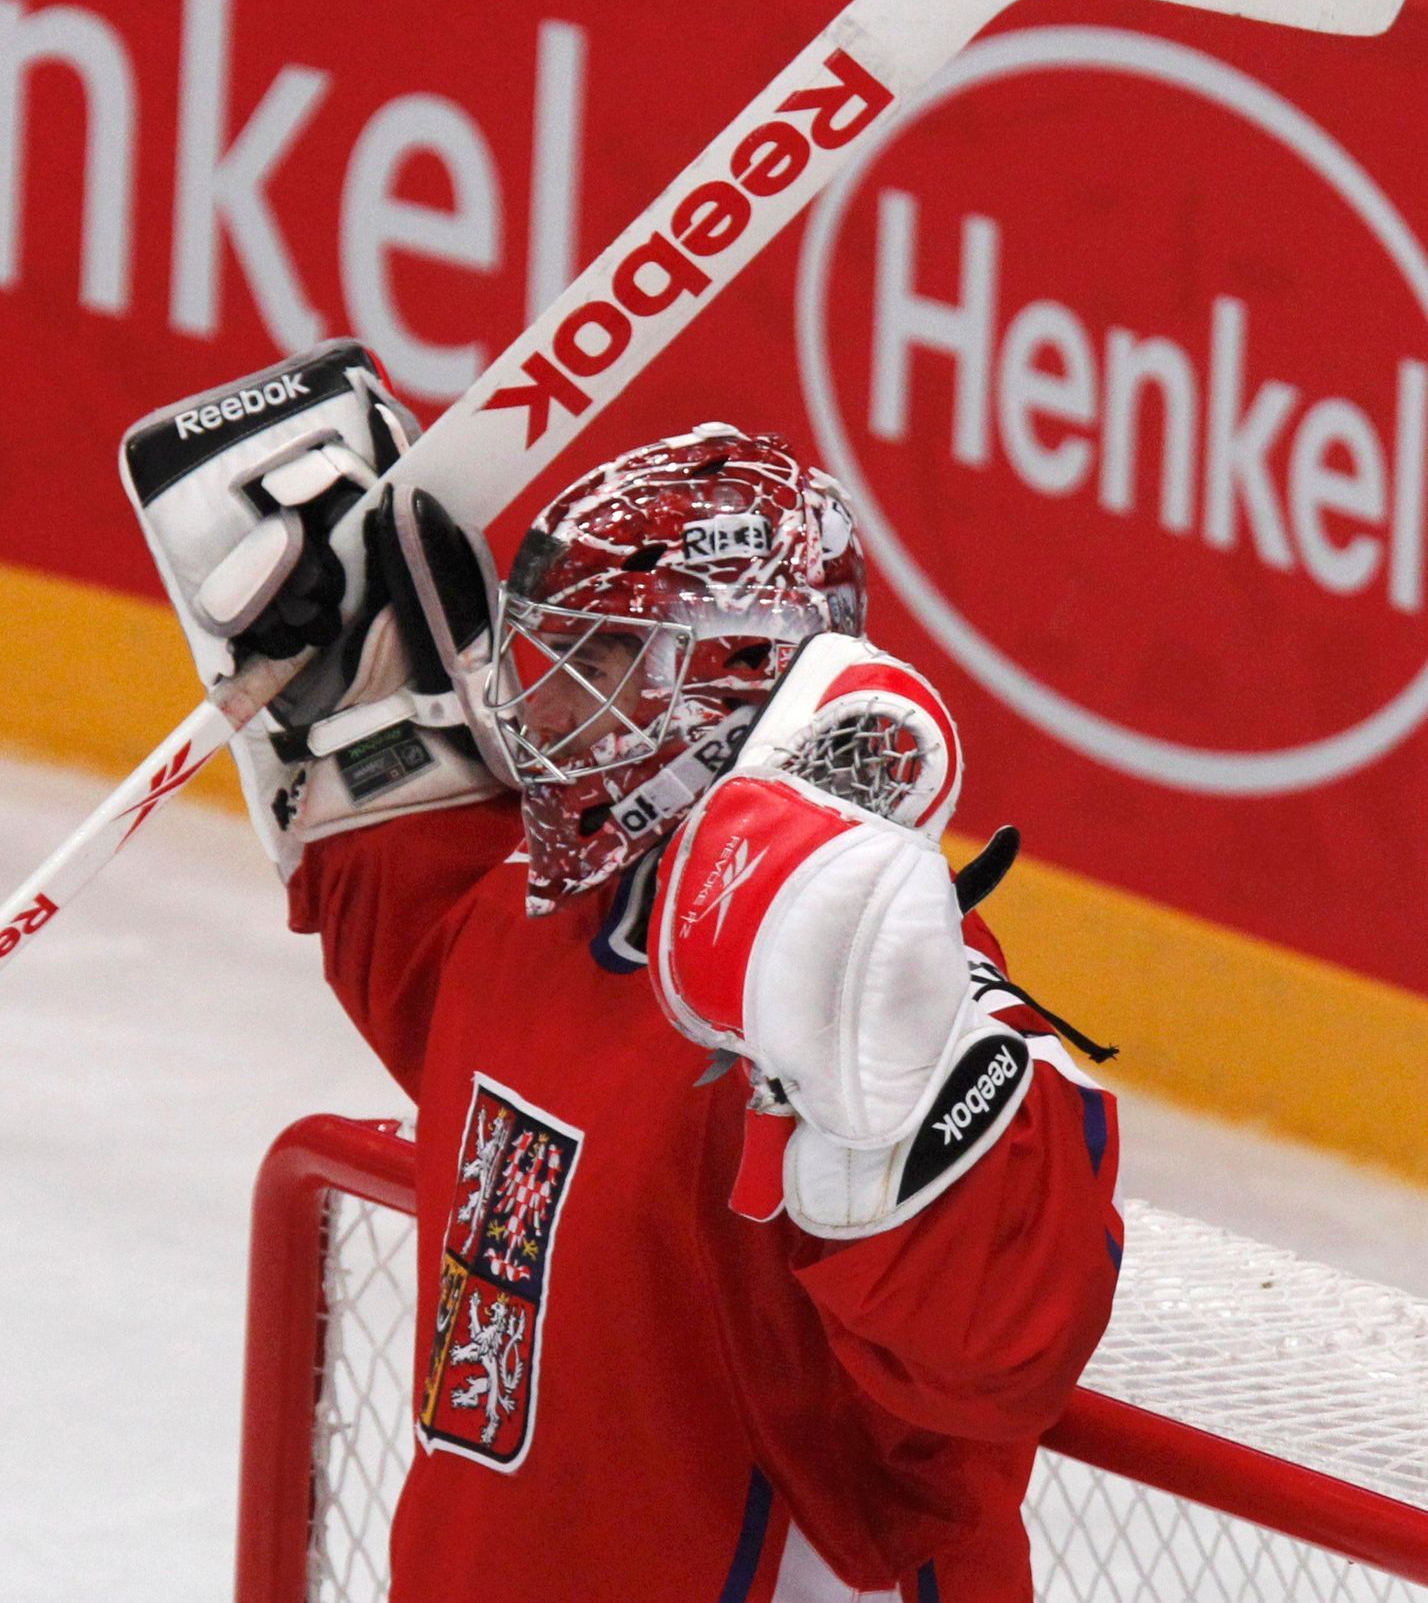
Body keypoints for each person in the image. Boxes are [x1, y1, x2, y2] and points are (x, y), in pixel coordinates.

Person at [123, 338, 1121, 1602]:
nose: (535, 709)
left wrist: (898, 1083)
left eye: (592, 667)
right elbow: (442, 966)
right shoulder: (548, 915)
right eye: (540, 658)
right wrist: (356, 697)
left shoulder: (873, 988)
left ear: (732, 680)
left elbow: (993, 1362)